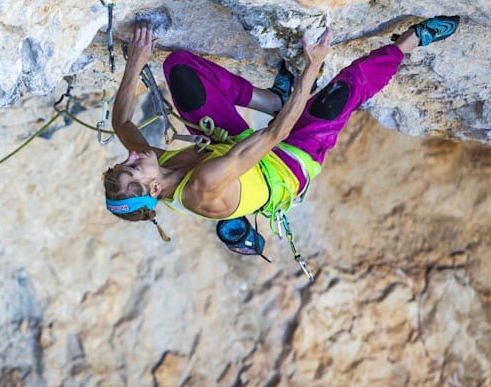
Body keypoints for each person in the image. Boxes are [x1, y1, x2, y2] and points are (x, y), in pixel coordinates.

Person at [102, 14, 460, 257]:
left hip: (228, 150)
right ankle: (410, 42)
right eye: (132, 167)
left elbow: (121, 123)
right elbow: (278, 133)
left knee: (179, 68)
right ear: (152, 189)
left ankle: (271, 98)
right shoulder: (203, 185)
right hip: (286, 164)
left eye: (124, 161)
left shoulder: (153, 169)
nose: (132, 156)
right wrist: (313, 65)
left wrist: (137, 59)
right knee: (340, 94)